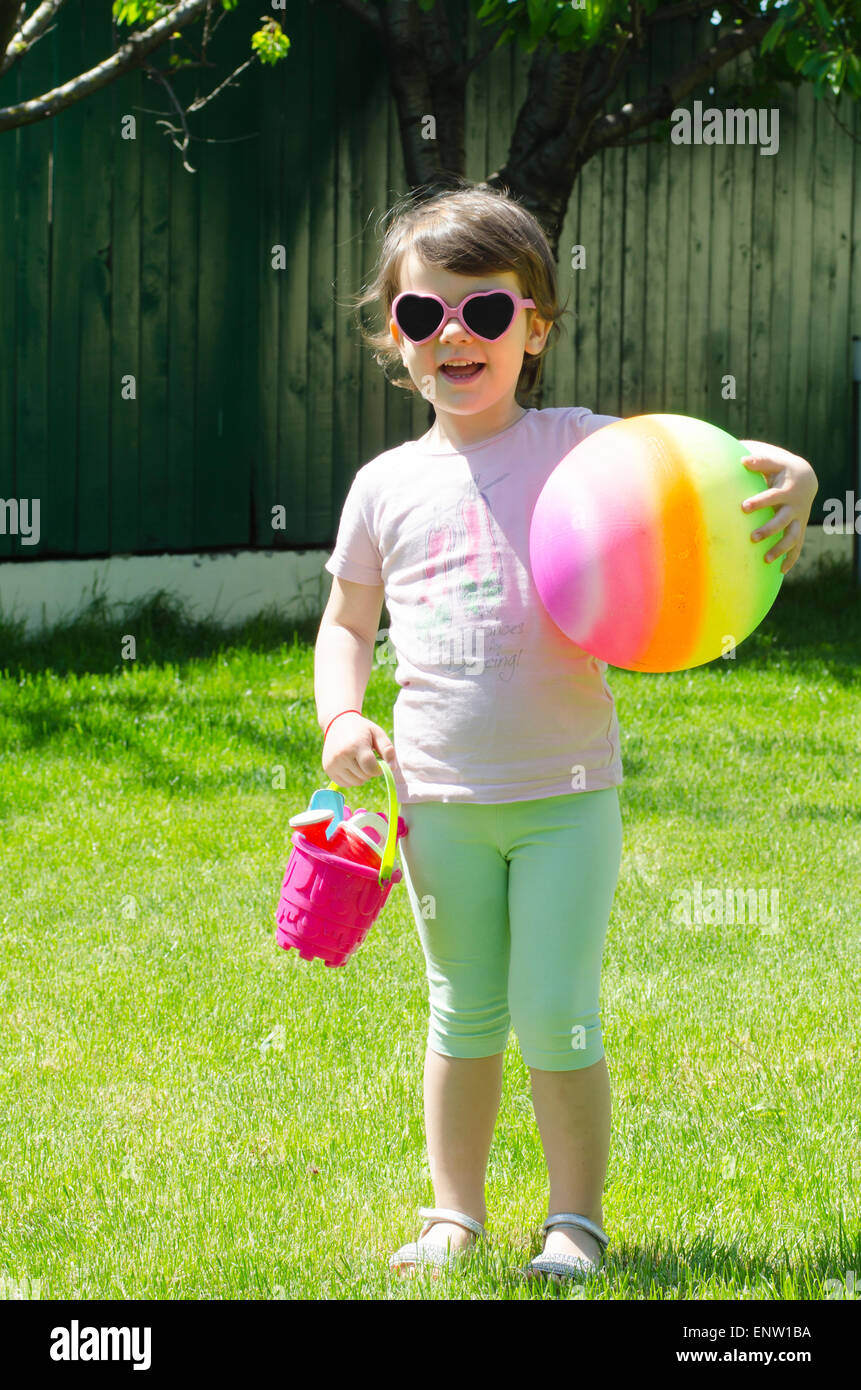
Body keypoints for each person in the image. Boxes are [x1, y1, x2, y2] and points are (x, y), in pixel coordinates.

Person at [313, 181, 818, 1285]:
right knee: (462, 1011)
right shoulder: (383, 485)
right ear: (391, 337)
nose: (455, 337)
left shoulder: (581, 450)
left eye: (486, 314)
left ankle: (574, 1221)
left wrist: (800, 473)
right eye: (422, 316)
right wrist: (341, 714)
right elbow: (347, 620)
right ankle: (455, 1214)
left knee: (555, 1009)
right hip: (438, 800)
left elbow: (700, 477)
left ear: (534, 326)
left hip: (569, 791)